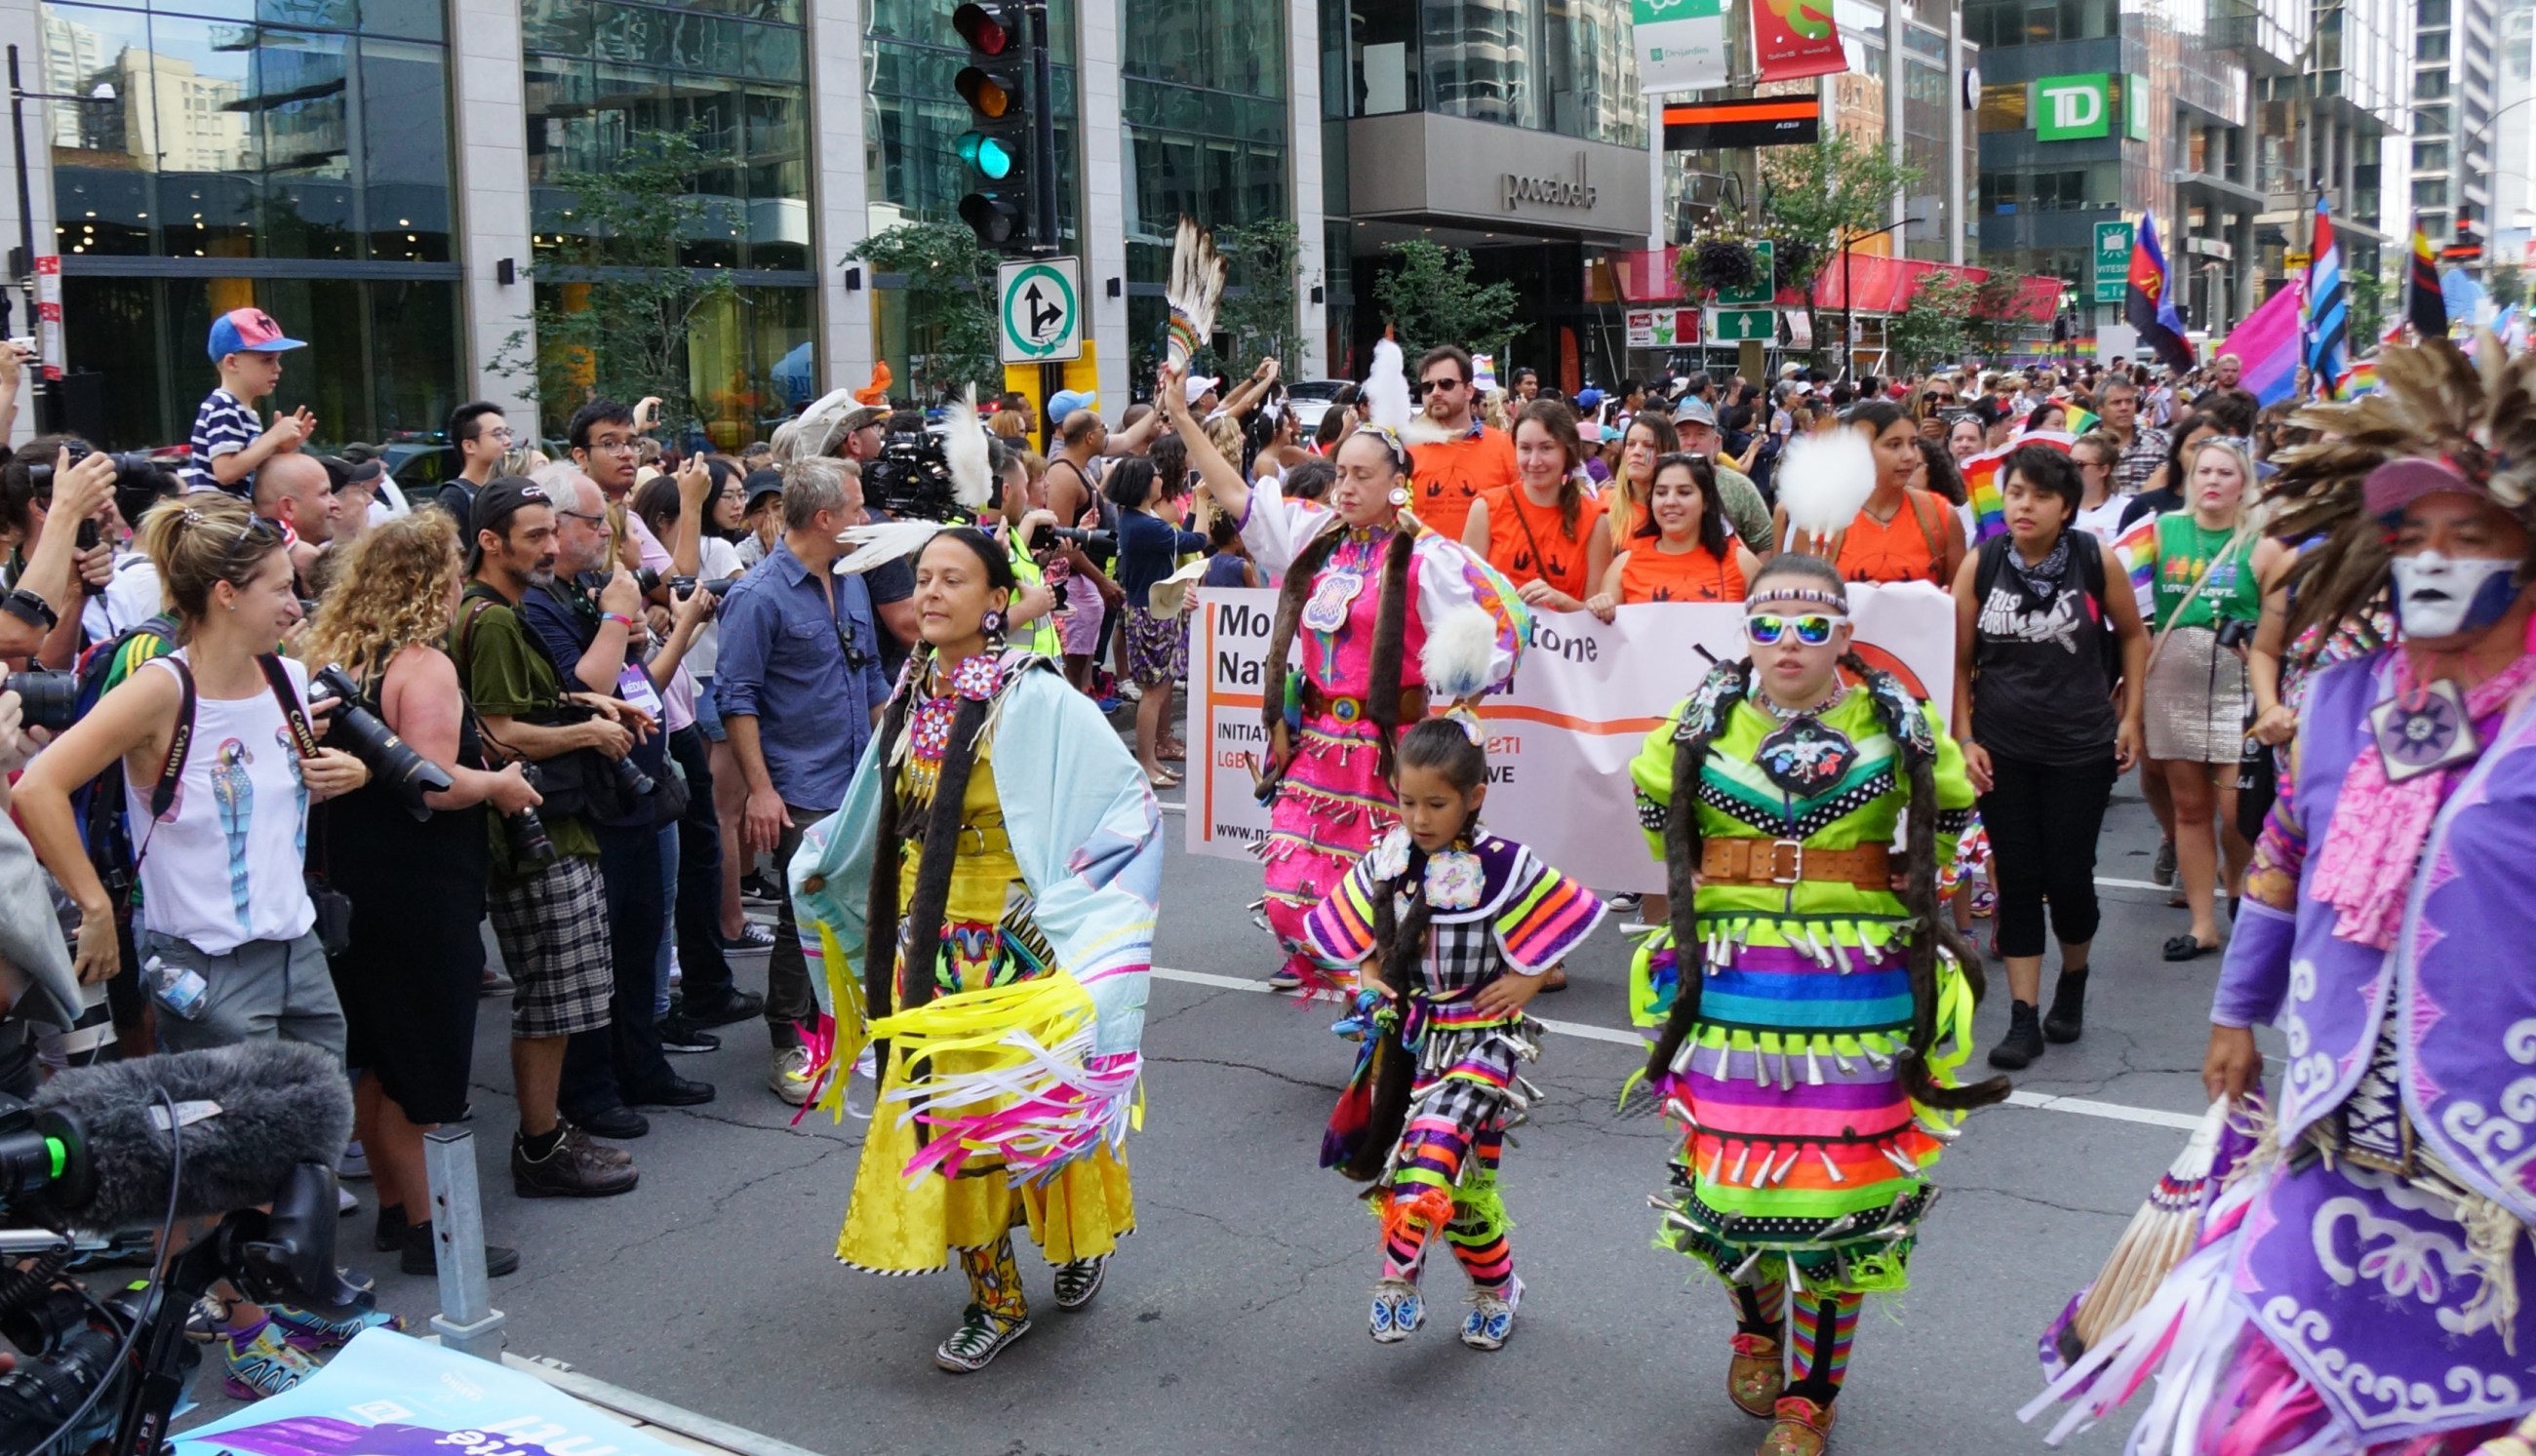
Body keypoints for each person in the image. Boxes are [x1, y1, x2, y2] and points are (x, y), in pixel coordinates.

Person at [2030, 339, 2536, 1455]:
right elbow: (2284, 859)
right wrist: (2232, 1009)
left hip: (2505, 1192)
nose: (2433, 558)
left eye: (2471, 534)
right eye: (2411, 535)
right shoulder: (2350, 696)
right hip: (2334, 1142)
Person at [1629, 552, 2004, 1456]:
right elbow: (1656, 814)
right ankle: (1758, 1324)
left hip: (1858, 993)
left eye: (1810, 624)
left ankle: (1811, 1397)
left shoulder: (1898, 720)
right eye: (1766, 625)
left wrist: (1895, 884)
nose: (1787, 642)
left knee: (1845, 1200)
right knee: (1729, 1188)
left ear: (1844, 631)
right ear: (1745, 633)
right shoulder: (1702, 719)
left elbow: (1948, 815)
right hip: (1731, 989)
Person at [12, 491, 381, 1395]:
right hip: (205, 966)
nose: (294, 602)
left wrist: (354, 770)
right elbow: (36, 788)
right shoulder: (160, 688)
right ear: (223, 593)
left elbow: (301, 788)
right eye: (276, 588)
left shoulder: (286, 675)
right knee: (214, 1160)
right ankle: (241, 1323)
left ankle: (275, 1292)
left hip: (295, 948)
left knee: (302, 1142)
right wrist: (94, 906)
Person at [784, 527, 1160, 1372]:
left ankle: (1074, 1243)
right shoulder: (913, 693)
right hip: (926, 946)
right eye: (922, 578)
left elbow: (1123, 806)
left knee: (1031, 1107)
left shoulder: (1036, 697)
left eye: (953, 579)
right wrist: (827, 862)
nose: (930, 593)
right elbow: (871, 813)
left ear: (998, 603)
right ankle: (994, 1295)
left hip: (1018, 949)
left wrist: (1071, 910)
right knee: (951, 1121)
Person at [1161, 362, 1526, 996]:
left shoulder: (1427, 557)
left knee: (1398, 906)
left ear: (1396, 485)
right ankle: (1369, 1003)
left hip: (1392, 755)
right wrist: (1186, 421)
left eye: (1362, 476)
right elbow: (1238, 495)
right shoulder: (1315, 536)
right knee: (1288, 898)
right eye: (1341, 474)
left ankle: (1391, 1033)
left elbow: (1502, 623)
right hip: (1315, 751)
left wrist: (1463, 701)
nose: (1346, 487)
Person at [300, 511, 548, 1276]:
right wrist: (502, 785)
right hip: (419, 884)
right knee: (429, 1067)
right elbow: (435, 782)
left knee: (378, 1054)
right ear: (433, 581)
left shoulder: (333, 655)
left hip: (351, 882)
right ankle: (430, 1231)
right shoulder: (423, 665)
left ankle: (391, 1207)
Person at [1306, 715, 1604, 1350]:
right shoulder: (1389, 856)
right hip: (1412, 1045)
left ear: (1475, 796)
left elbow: (1565, 915)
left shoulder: (1501, 863)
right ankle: (1499, 1288)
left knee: (1433, 1147)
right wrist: (1368, 978)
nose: (1418, 817)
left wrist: (1525, 980)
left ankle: (1397, 1279)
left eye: (1435, 803)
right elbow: (1363, 938)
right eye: (1407, 800)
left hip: (1485, 1041)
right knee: (1464, 1202)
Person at [446, 477, 649, 1180]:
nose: (551, 547)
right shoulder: (493, 617)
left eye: (551, 531)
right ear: (489, 541)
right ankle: (540, 1141)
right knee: (552, 997)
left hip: (556, 827)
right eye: (534, 535)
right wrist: (588, 732)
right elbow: (500, 733)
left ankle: (549, 1131)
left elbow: (515, 700)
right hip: (534, 834)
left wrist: (582, 698)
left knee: (568, 992)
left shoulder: (508, 608)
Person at [518, 469, 717, 1121]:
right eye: (592, 523)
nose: (605, 534)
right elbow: (586, 683)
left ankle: (641, 1062)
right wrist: (618, 615)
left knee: (639, 938)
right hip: (589, 799)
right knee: (594, 955)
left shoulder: (586, 589)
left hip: (638, 791)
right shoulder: (539, 601)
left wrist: (667, 626)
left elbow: (639, 686)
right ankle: (591, 1089)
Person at [1950, 448, 2147, 1070]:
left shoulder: (2094, 560)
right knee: (2019, 879)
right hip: (2002, 749)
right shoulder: (1982, 565)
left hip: (2081, 747)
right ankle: (2023, 1017)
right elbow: (1956, 659)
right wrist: (1966, 737)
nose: (2023, 506)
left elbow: (2135, 637)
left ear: (2065, 506)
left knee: (2070, 880)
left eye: (2038, 496)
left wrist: (2131, 717)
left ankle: (2075, 979)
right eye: (2014, 494)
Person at [716, 456, 894, 1104]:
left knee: (862, 903)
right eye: (856, 507)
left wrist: (893, 754)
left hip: (855, 775)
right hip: (801, 784)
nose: (866, 516)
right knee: (805, 914)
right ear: (824, 518)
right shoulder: (758, 595)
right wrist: (762, 790)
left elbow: (870, 672)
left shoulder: (847, 579)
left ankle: (842, 1019)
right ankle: (789, 1041)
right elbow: (736, 699)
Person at [2138, 437, 2262, 962]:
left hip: (2243, 682)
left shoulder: (2264, 537)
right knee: (2191, 807)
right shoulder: (2160, 531)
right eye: (2204, 471)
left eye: (2225, 473)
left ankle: (2237, 888)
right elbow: (2120, 592)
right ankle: (2203, 922)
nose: (2212, 481)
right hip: (2175, 678)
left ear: (2244, 484)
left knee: (2238, 810)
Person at [1773, 401, 1966, 587]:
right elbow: (1803, 601)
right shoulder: (1819, 518)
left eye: (1913, 443)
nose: (1909, 456)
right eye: (1894, 445)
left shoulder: (1939, 515)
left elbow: (1957, 604)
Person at [1105, 457, 1206, 787]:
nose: (1161, 479)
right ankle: (1146, 763)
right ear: (1144, 484)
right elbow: (1196, 541)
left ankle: (1152, 759)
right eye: (1156, 475)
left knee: (1160, 689)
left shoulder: (1140, 518)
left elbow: (1181, 537)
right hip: (1152, 614)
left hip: (1155, 607)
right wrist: (1201, 502)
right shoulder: (1144, 524)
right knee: (1154, 691)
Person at [1462, 398, 1612, 614]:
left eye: (1546, 448)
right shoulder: (1485, 509)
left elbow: (1594, 616)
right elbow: (1466, 597)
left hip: (1562, 646)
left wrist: (1560, 600)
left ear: (1567, 451)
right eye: (1525, 449)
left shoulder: (1595, 520)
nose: (1534, 461)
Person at [1585, 453, 1759, 614]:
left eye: (1684, 492)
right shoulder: (1623, 565)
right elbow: (1606, 638)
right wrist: (1600, 609)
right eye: (1661, 493)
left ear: (1706, 501)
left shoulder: (1742, 563)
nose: (1670, 502)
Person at [189, 307, 315, 497]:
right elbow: (226, 472)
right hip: (217, 518)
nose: (278, 368)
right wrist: (272, 437)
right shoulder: (223, 406)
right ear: (232, 362)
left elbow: (246, 469)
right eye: (267, 360)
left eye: (278, 360)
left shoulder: (244, 411)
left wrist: (279, 448)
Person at [1407, 345, 1521, 542]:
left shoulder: (1505, 447)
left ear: (1469, 391)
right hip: (1424, 569)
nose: (1435, 392)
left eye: (1446, 384)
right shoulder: (1406, 453)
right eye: (1428, 387)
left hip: (1486, 570)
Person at [1672, 397, 1774, 547]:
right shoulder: (1659, 485)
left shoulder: (1738, 486)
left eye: (1700, 434)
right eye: (1684, 435)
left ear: (1716, 442)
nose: (1691, 442)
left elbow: (1765, 540)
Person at [441, 401, 514, 525]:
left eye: (508, 433)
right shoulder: (455, 499)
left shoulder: (507, 488)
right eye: (498, 434)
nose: (508, 441)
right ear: (469, 446)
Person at [2095, 376, 2168, 495]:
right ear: (2100, 409)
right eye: (2116, 403)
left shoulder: (2160, 441)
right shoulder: (2086, 446)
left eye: (2129, 401)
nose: (2124, 408)